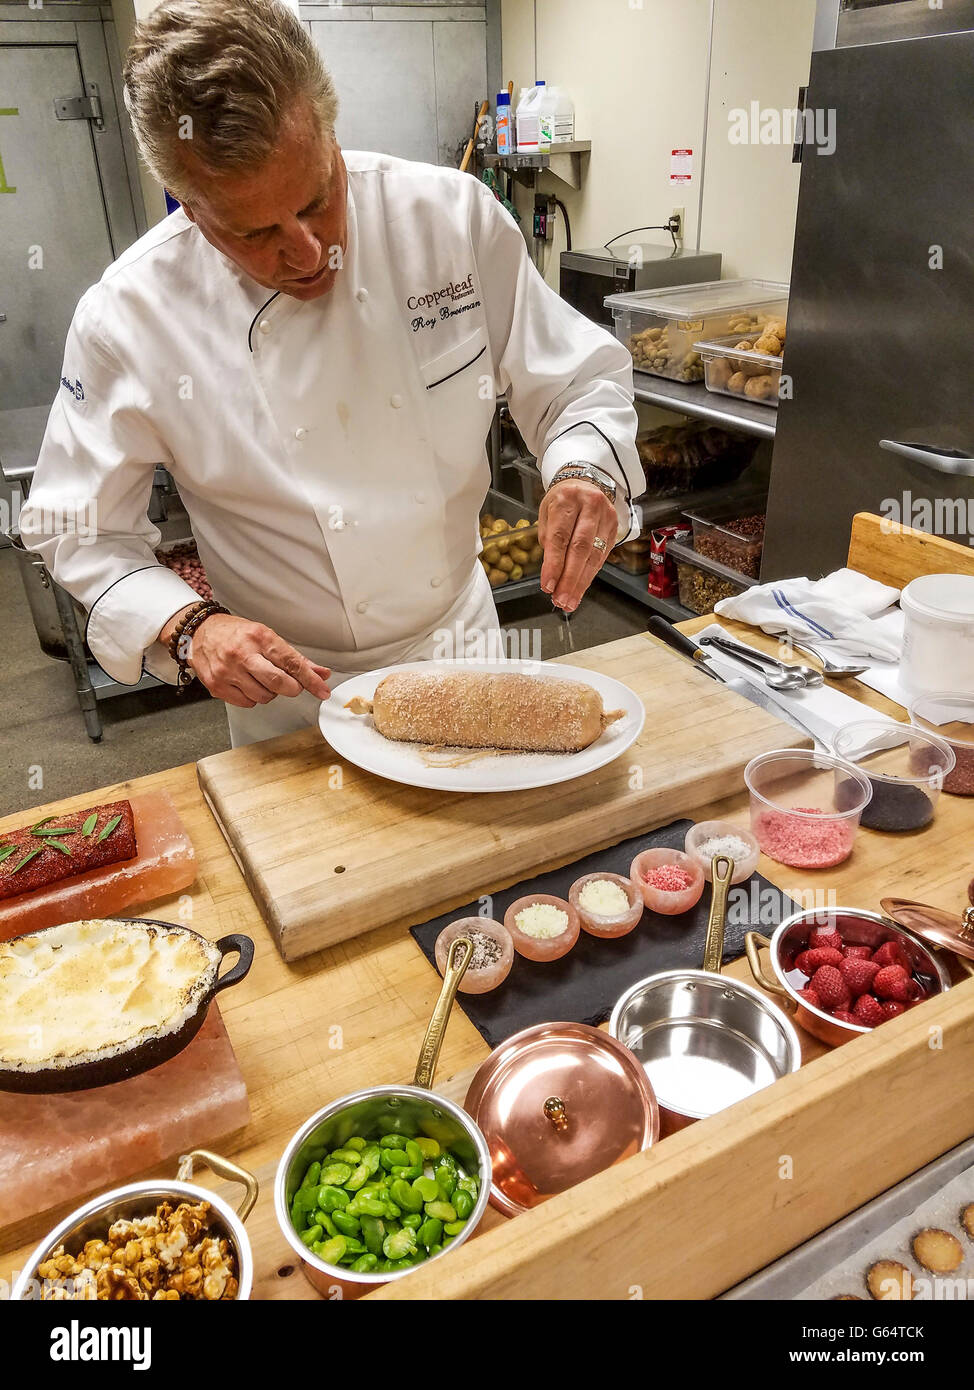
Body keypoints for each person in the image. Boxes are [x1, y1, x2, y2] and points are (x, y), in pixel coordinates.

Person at [21, 0, 642, 746]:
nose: (309, 252)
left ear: (331, 128)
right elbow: (76, 527)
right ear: (187, 205)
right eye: (254, 233)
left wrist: (584, 471)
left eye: (318, 198)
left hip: (461, 647)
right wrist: (187, 626)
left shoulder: (449, 221)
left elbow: (574, 379)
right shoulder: (128, 318)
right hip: (288, 693)